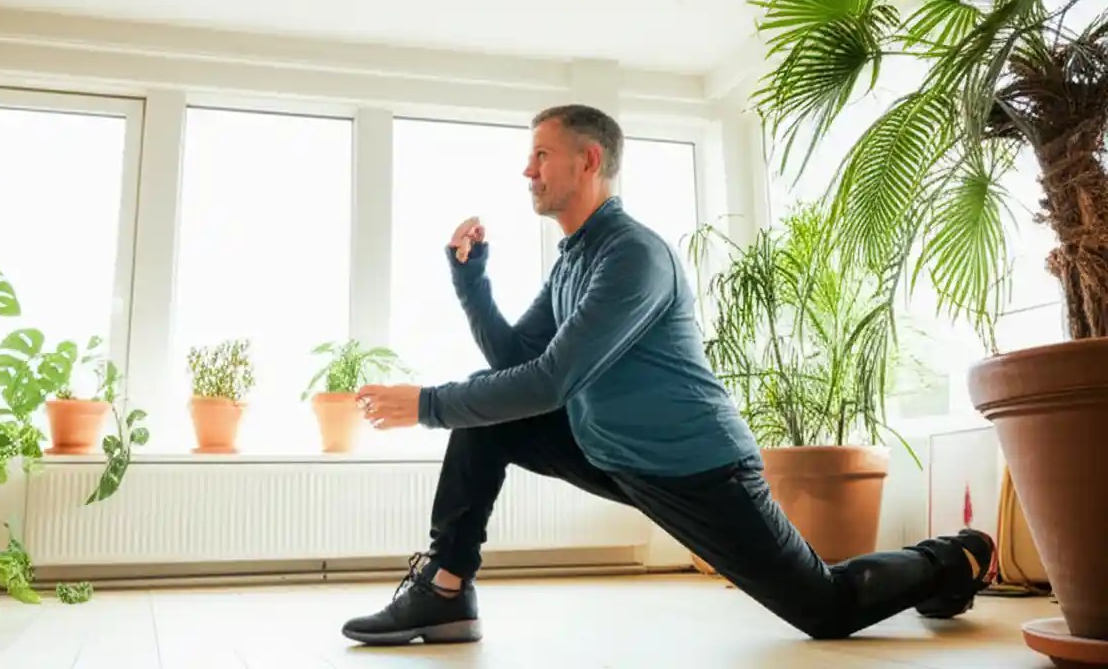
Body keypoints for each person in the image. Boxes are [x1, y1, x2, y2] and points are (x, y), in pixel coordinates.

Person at [345, 104, 997, 646]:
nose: (527, 169)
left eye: (542, 155)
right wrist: (471, 281)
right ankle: (446, 590)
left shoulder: (633, 255)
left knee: (825, 609)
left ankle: (953, 557)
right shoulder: (574, 259)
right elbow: (517, 364)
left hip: (699, 471)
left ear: (589, 161)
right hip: (615, 453)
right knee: (487, 420)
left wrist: (426, 403)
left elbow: (549, 381)